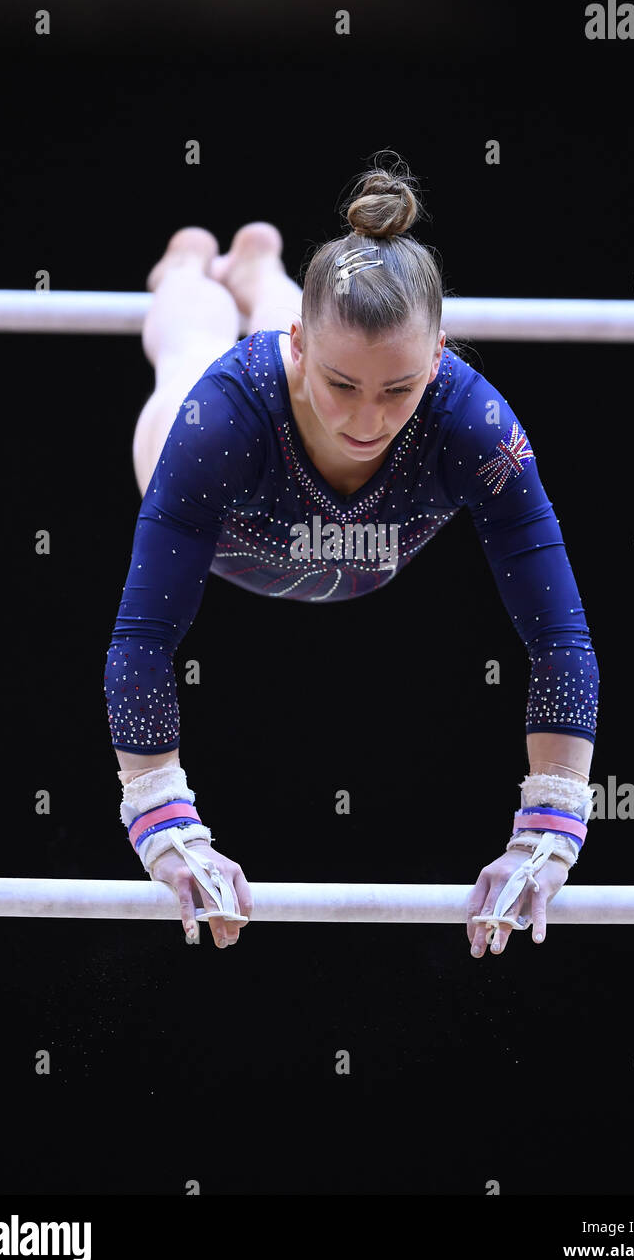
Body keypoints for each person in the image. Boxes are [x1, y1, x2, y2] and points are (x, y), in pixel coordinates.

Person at [105, 154, 599, 959]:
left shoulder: (473, 423)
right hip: (219, 511)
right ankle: (190, 268)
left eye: (397, 389)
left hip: (350, 548)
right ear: (299, 349)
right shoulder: (220, 419)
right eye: (342, 384)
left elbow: (560, 638)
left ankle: (261, 268)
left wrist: (550, 826)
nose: (368, 419)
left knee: (292, 335)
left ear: (438, 357)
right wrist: (160, 815)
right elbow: (142, 642)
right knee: (191, 340)